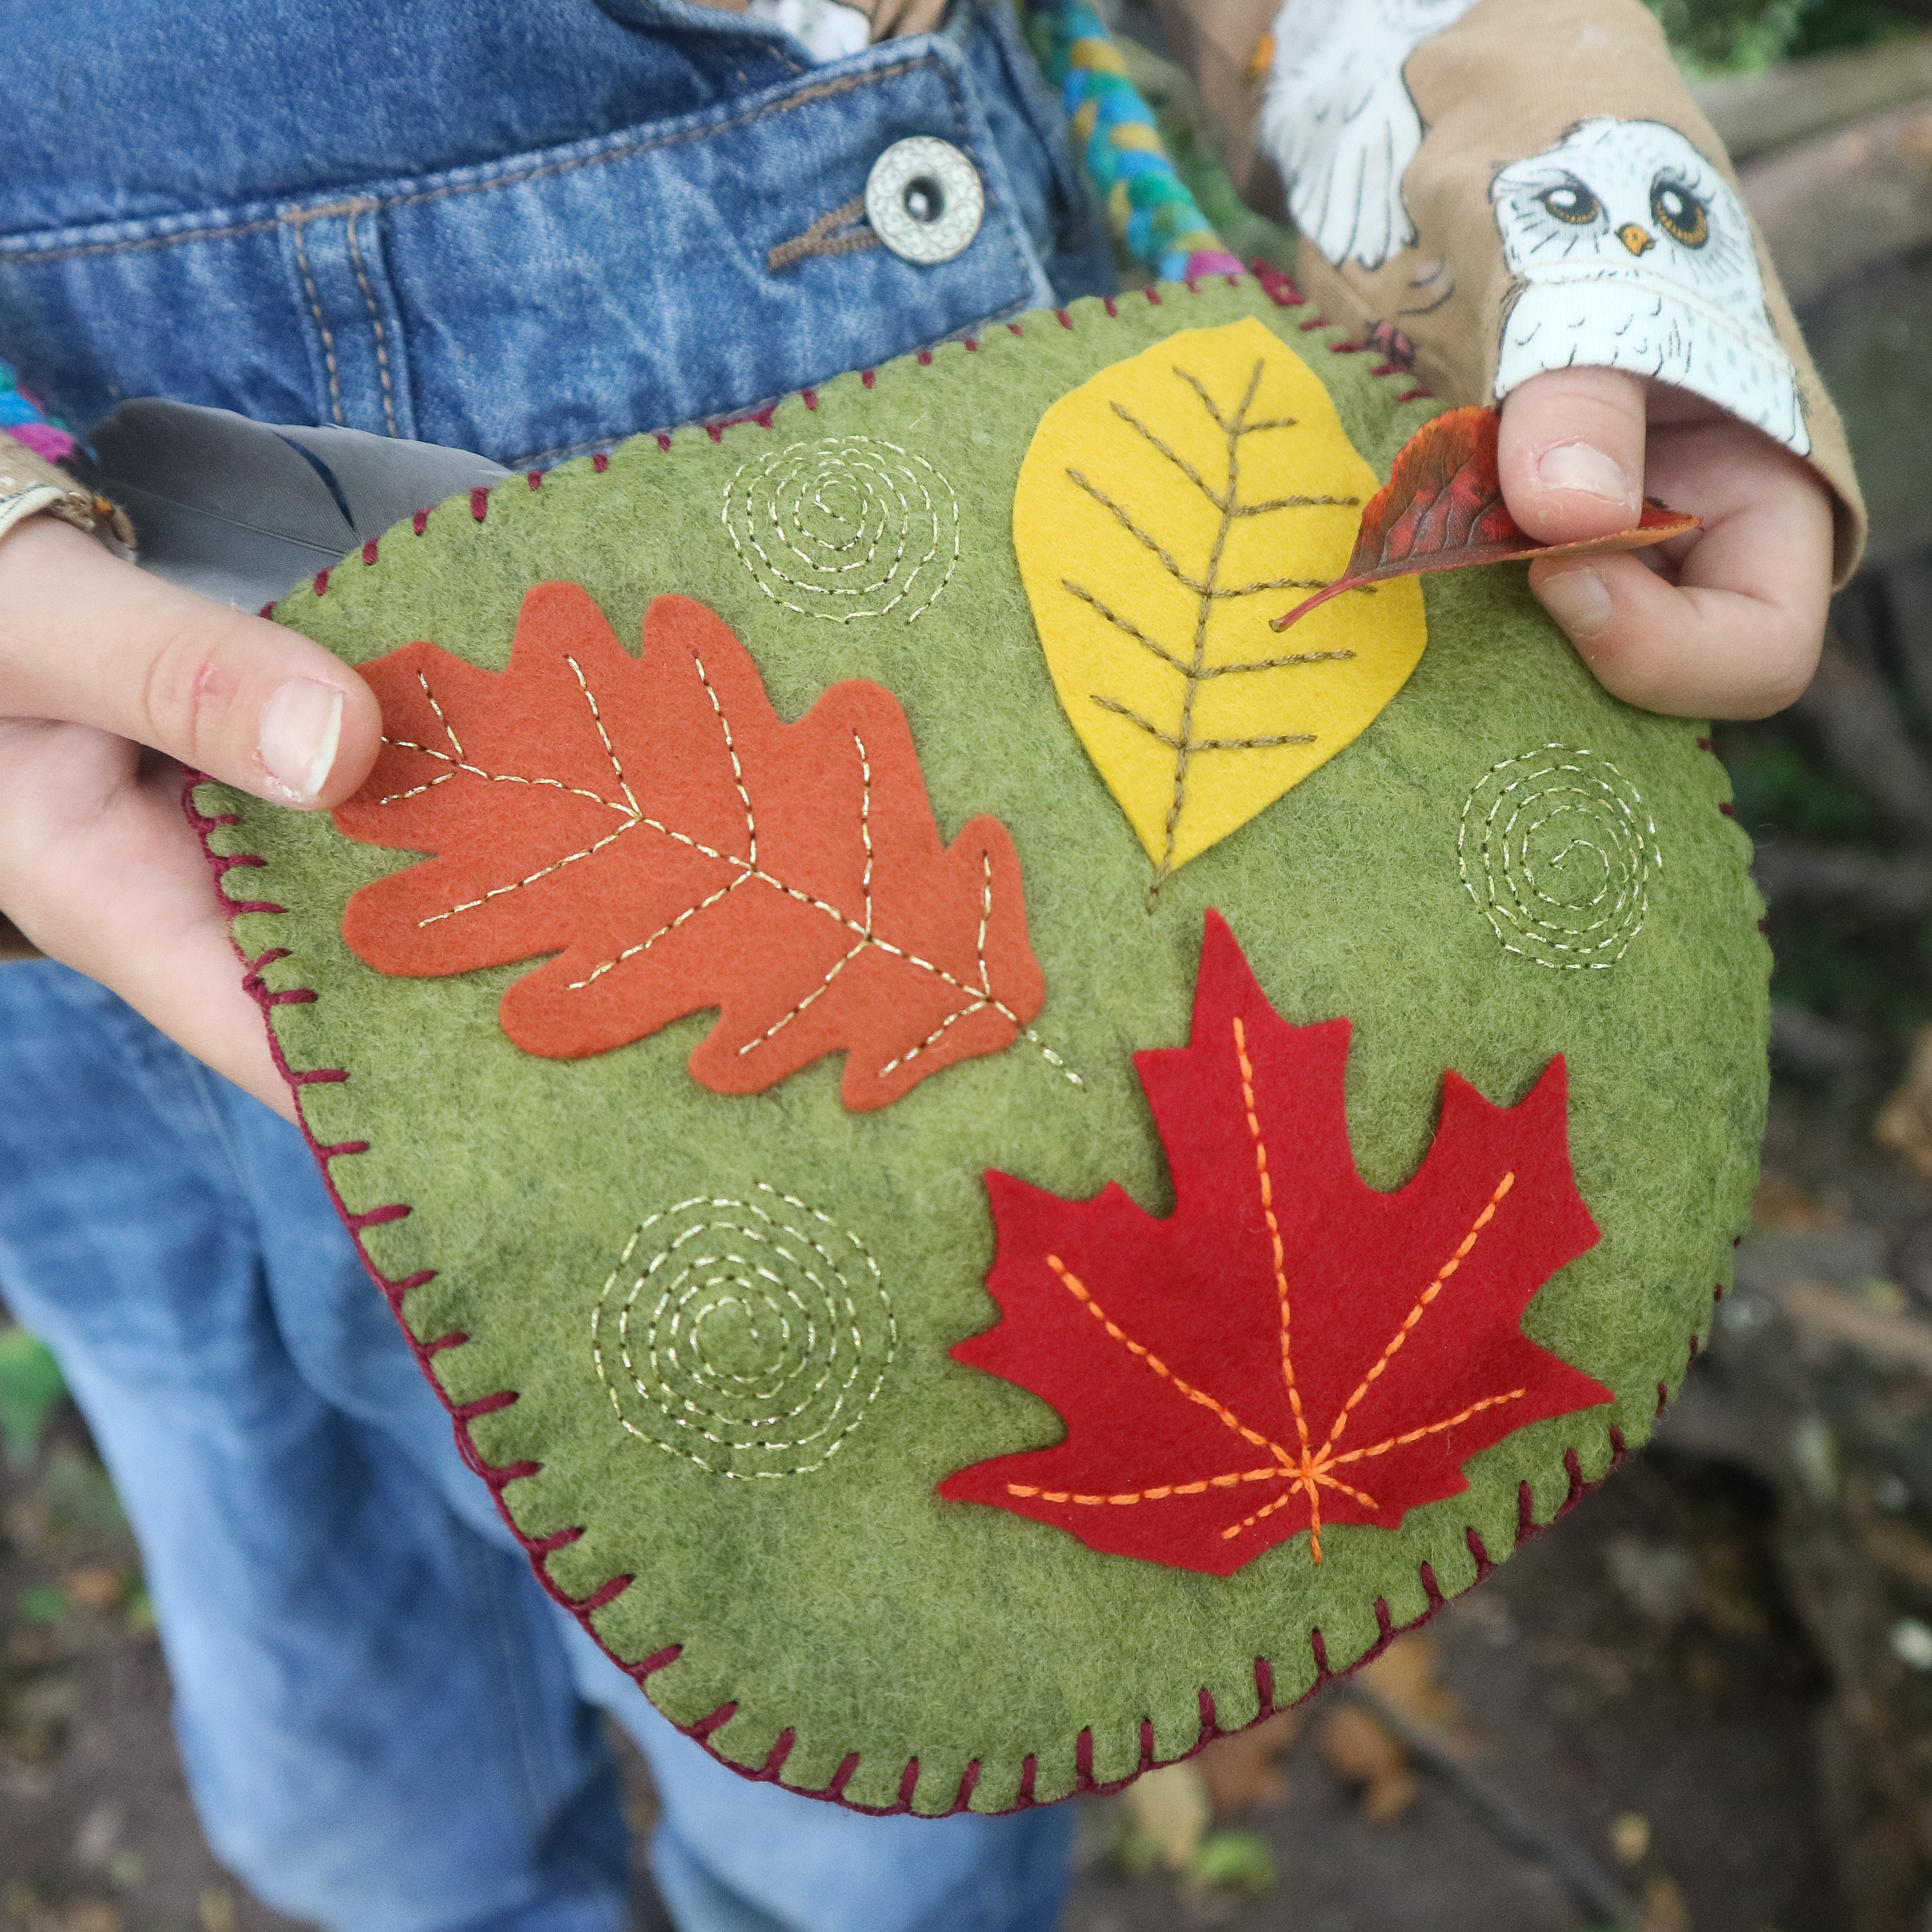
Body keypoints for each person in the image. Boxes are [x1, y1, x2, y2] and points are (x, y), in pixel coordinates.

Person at [0, 1, 1857, 1927]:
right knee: (320, 1711)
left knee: (865, 1807)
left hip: (890, 546)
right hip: (43, 903)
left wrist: (1561, 168)